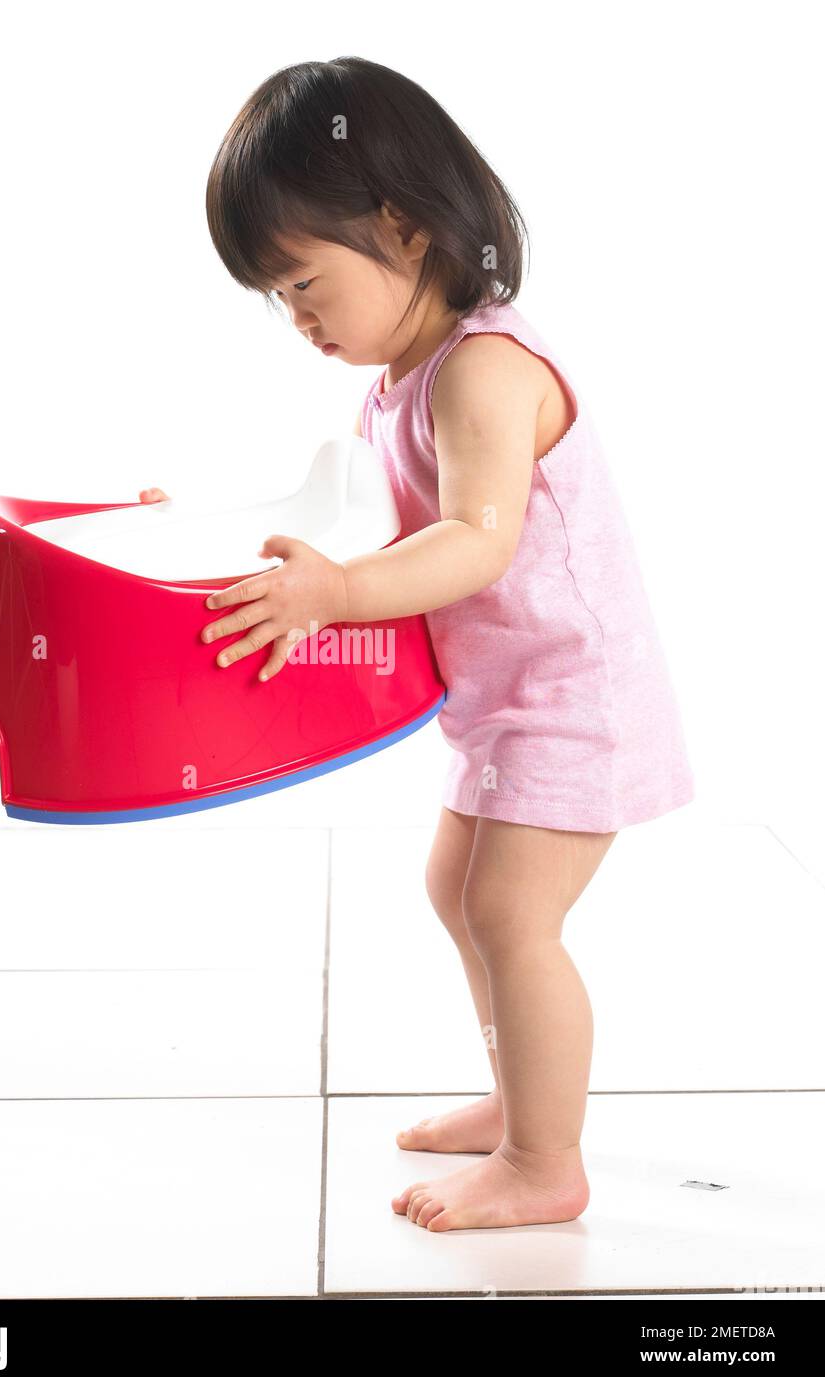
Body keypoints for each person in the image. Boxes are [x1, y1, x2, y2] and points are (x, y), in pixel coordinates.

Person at [142, 56, 695, 1233]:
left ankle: (547, 1159)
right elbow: (350, 515)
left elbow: (475, 544)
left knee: (510, 914)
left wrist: (341, 592)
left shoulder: (485, 369)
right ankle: (517, 1095)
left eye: (303, 283)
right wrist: (204, 530)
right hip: (505, 700)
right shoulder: (397, 376)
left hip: (571, 698)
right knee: (456, 889)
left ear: (402, 229)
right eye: (276, 299)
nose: (297, 320)